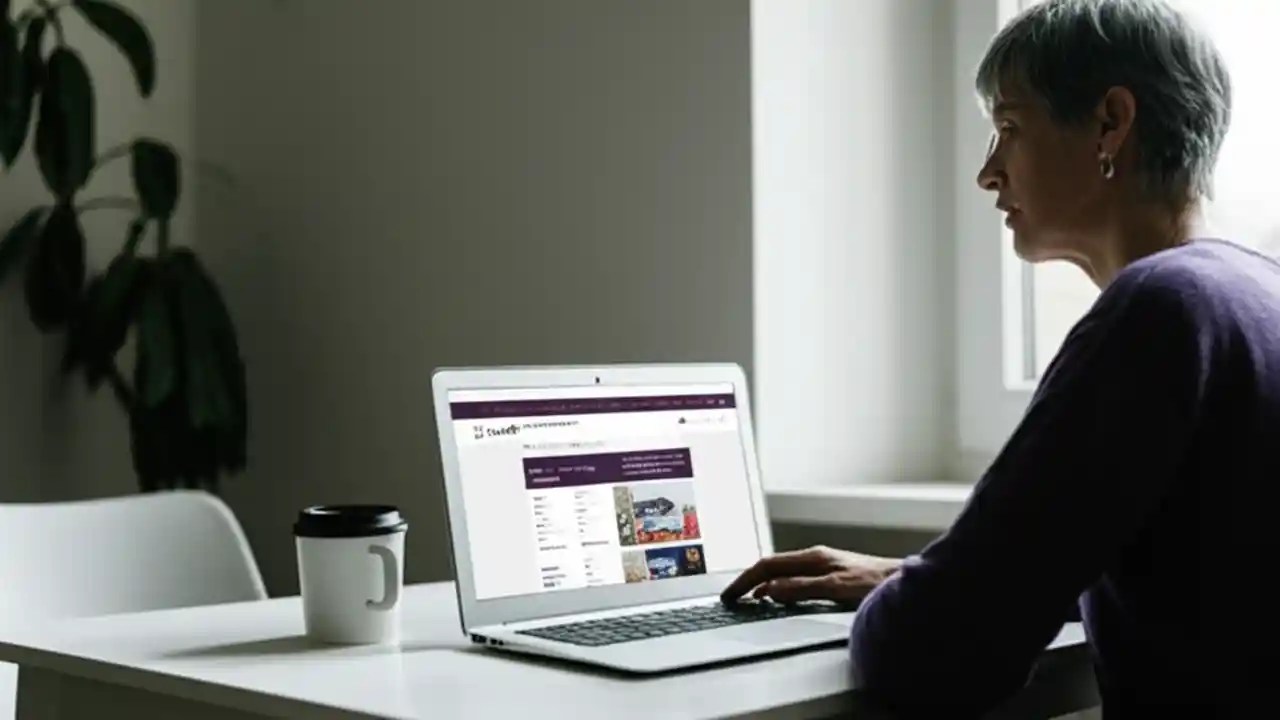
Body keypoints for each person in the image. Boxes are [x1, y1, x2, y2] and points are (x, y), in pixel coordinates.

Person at [722, 0, 1280, 715]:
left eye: (1009, 129)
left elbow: (934, 653)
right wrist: (909, 575)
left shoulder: (1161, 310)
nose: (989, 172)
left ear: (1111, 122)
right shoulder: (1255, 294)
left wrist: (914, 599)